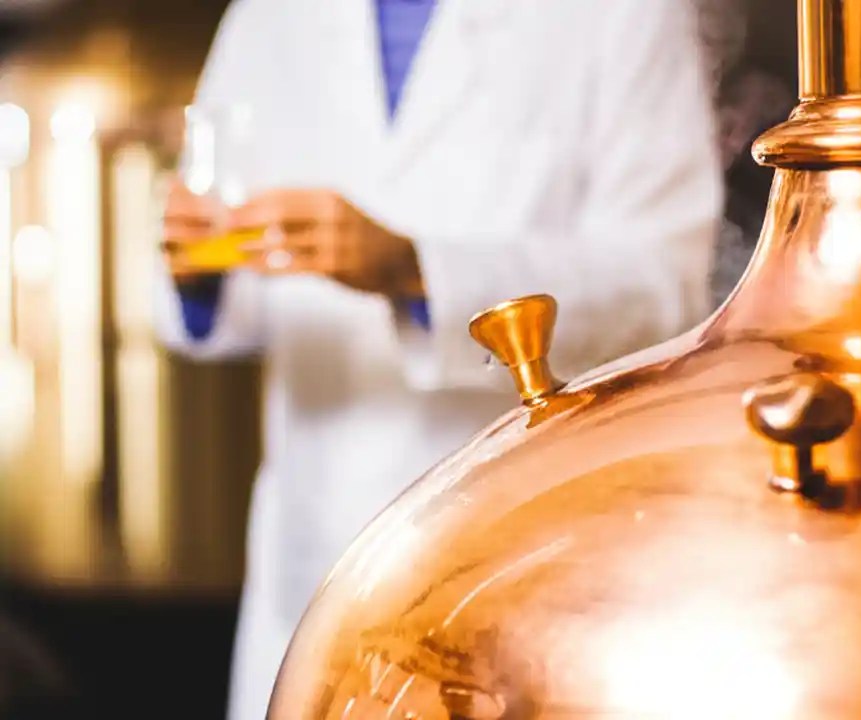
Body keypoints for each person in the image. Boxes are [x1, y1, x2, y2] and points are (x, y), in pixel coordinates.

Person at [155, 1, 722, 718]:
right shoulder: (270, 16)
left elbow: (661, 286)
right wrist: (199, 271)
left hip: (526, 556)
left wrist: (419, 270)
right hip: (311, 554)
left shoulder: (623, 15)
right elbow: (225, 271)